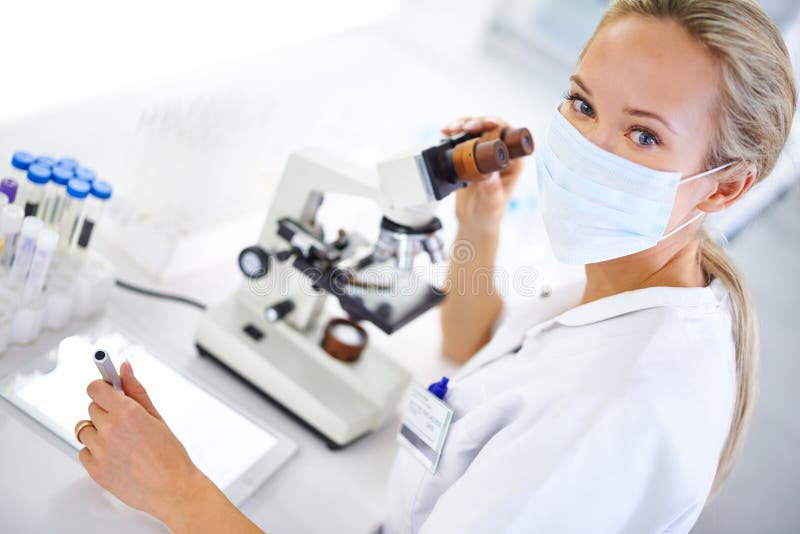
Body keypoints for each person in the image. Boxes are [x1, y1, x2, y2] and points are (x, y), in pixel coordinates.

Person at [74, 1, 796, 532]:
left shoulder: (613, 416)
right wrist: (478, 221)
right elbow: (473, 345)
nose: (590, 148)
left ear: (728, 184)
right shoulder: (633, 261)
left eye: (643, 134)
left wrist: (173, 489)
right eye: (582, 103)